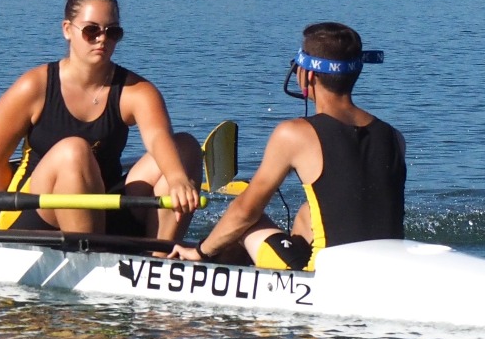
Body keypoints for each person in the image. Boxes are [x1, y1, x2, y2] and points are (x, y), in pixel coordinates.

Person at [171, 23, 405, 270]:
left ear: (308, 75)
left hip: (327, 279)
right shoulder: (395, 137)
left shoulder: (294, 134)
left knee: (245, 221)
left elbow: (245, 212)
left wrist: (201, 250)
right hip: (385, 272)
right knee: (307, 213)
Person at [0, 0, 200, 240]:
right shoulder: (33, 87)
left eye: (112, 32)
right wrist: (12, 204)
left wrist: (177, 179)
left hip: (103, 206)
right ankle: (87, 252)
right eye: (91, 30)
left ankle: (160, 256)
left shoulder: (137, 91)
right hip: (36, 212)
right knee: (74, 150)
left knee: (185, 147)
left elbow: (158, 138)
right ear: (67, 30)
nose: (102, 39)